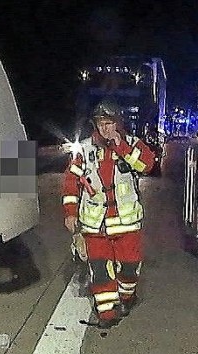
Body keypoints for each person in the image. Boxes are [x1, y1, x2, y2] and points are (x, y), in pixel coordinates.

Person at [63, 100, 158, 327]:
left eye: (109, 123)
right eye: (101, 124)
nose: (105, 128)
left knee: (129, 269)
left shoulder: (132, 144)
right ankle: (106, 314)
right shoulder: (84, 150)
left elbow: (148, 165)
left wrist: (122, 147)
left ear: (118, 123)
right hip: (96, 226)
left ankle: (127, 296)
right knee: (100, 271)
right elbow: (70, 183)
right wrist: (70, 212)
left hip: (127, 225)